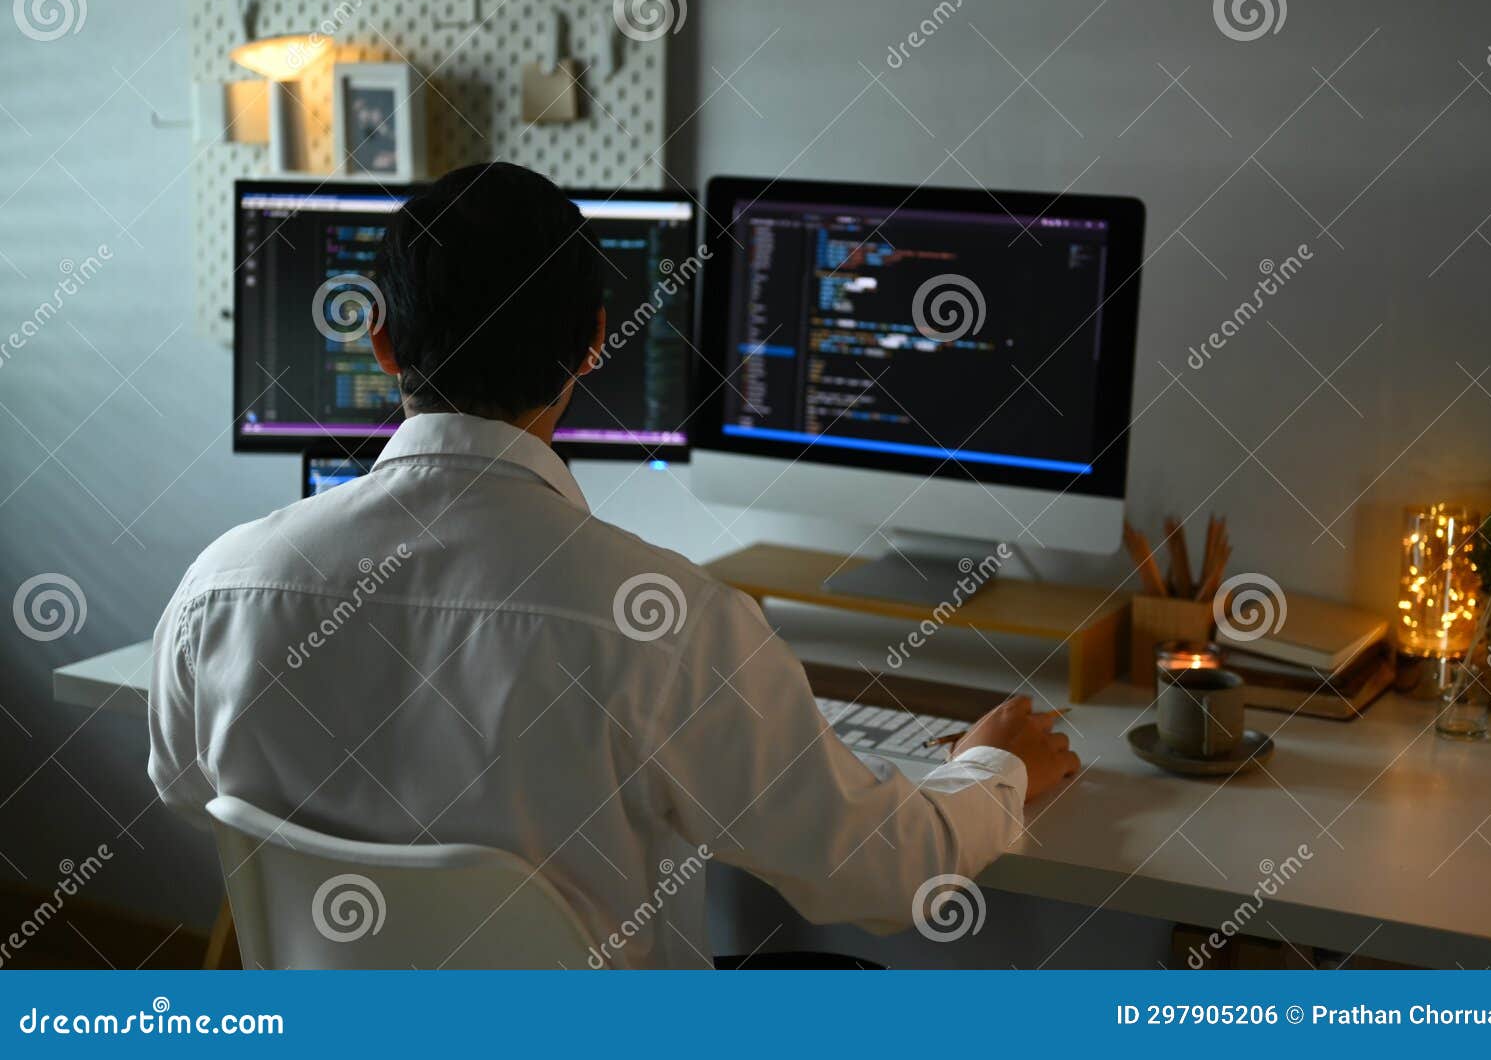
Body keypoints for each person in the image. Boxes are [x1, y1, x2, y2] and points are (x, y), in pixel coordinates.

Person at [147, 162, 1078, 968]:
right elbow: (879, 873)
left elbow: (192, 792)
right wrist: (992, 770)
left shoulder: (222, 587)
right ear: (595, 341)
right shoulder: (669, 620)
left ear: (380, 339)